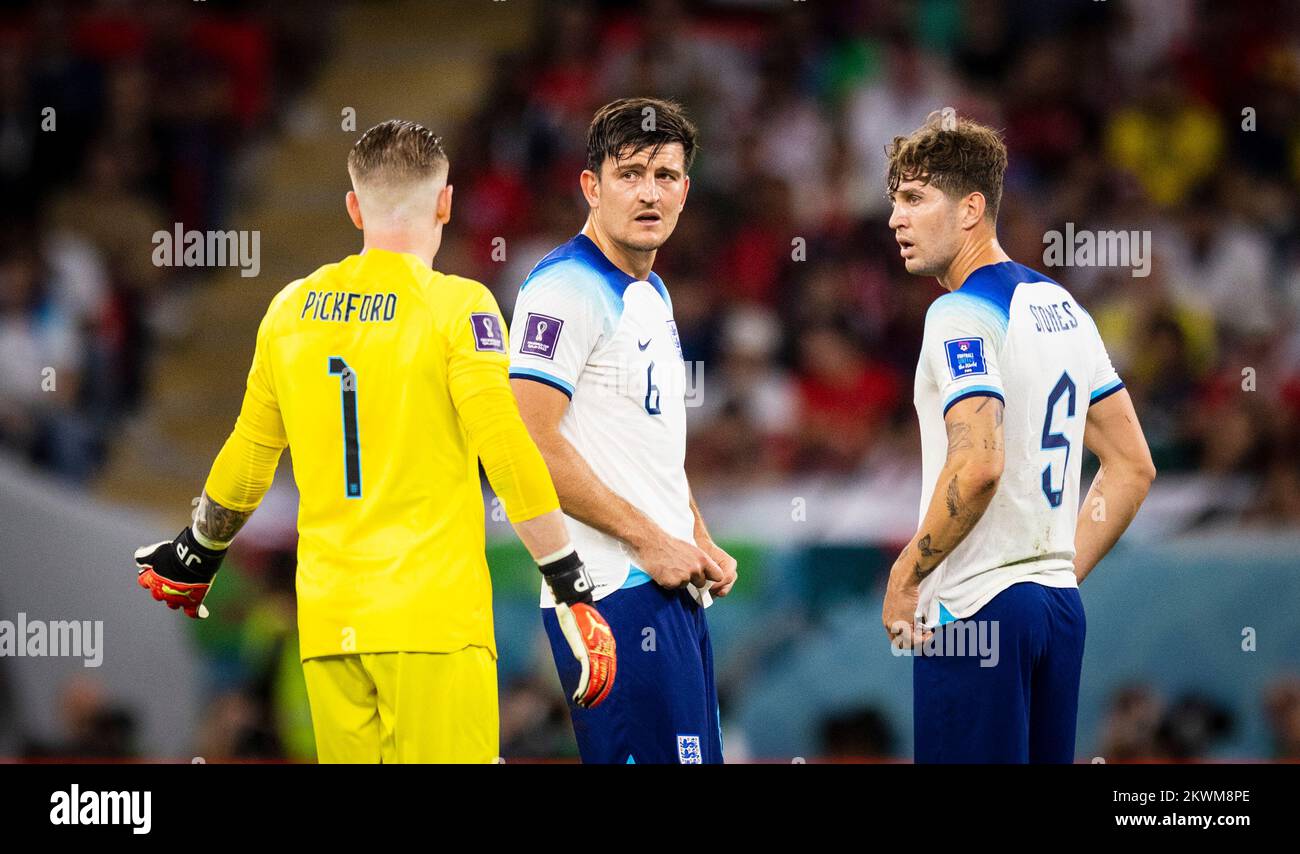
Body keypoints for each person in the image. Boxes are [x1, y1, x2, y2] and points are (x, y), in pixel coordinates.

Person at [132, 120, 615, 763]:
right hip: (431, 622)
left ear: (355, 208)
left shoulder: (289, 309)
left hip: (330, 629)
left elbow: (250, 453)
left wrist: (197, 551)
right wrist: (570, 585)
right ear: (445, 202)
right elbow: (505, 450)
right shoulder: (457, 308)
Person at [881, 111, 1157, 763]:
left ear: (971, 207)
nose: (896, 218)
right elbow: (1132, 467)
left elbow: (978, 464)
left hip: (975, 610)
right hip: (1057, 614)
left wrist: (906, 573)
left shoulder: (956, 313)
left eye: (915, 199)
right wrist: (1057, 569)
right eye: (894, 202)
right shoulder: (1063, 307)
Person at [508, 98, 737, 764]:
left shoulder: (651, 292)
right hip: (611, 594)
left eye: (665, 176)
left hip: (666, 585)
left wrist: (693, 532)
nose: (649, 191)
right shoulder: (563, 289)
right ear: (591, 186)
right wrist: (648, 539)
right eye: (630, 172)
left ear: (686, 192)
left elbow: (649, 447)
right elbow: (528, 444)